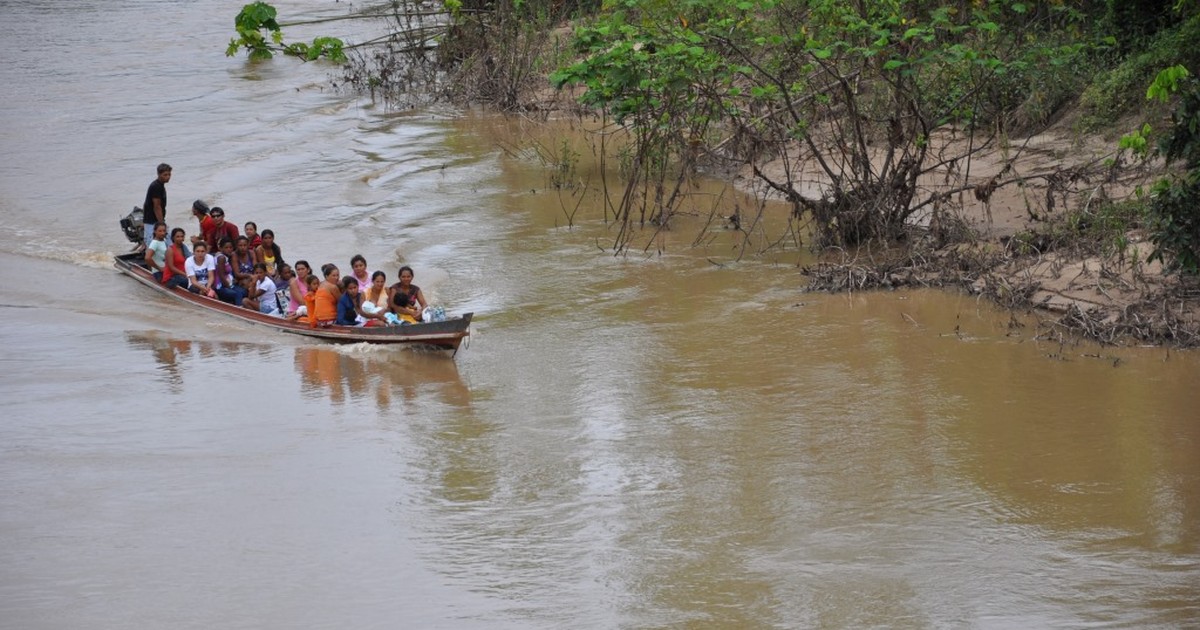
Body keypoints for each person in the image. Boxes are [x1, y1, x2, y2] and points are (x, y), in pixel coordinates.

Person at [142, 163, 171, 247]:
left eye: (169, 174)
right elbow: (157, 206)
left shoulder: (160, 185)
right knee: (152, 245)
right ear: (158, 174)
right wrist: (161, 224)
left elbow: (145, 204)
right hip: (152, 222)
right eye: (165, 175)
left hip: (153, 221)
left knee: (167, 243)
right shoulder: (156, 186)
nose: (168, 177)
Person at [214, 237, 247, 306]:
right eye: (226, 247)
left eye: (230, 247)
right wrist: (229, 287)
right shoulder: (221, 258)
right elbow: (221, 276)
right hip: (221, 286)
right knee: (237, 293)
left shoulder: (227, 257)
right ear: (221, 248)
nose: (229, 249)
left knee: (244, 291)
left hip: (229, 284)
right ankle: (239, 309)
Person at [310, 263, 341, 328]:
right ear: (326, 276)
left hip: (319, 320)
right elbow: (341, 301)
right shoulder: (333, 287)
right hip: (329, 320)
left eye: (338, 275)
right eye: (333, 276)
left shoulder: (321, 284)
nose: (336, 278)